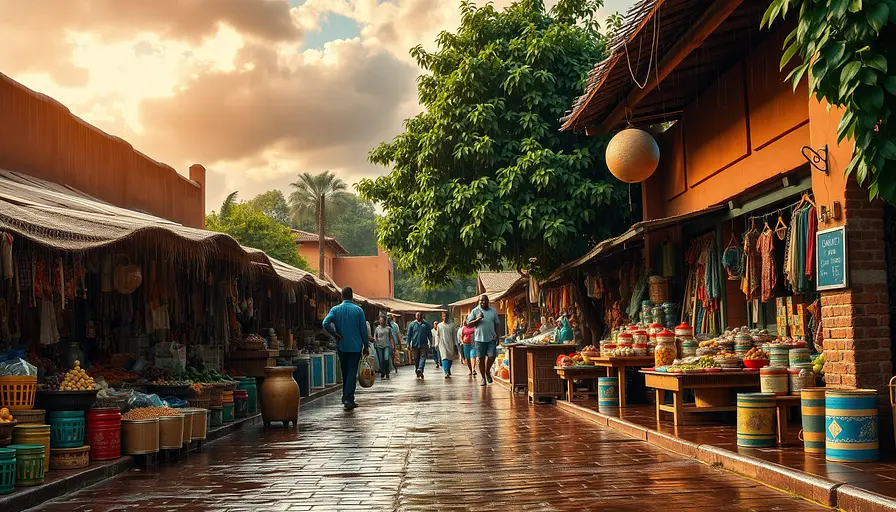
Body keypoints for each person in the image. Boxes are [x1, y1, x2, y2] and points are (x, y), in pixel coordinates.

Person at [323, 287, 370, 410]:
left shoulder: (335, 309)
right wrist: (366, 345)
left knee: (345, 372)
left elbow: (325, 323)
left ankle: (346, 397)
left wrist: (334, 334)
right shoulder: (358, 310)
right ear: (352, 297)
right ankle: (348, 399)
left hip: (342, 345)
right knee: (351, 372)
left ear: (342, 297)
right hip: (355, 347)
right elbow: (363, 331)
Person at [467, 295, 500, 386]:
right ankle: (483, 378)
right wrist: (478, 319)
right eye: (481, 301)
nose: (483, 302)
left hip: (491, 338)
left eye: (485, 301)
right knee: (481, 358)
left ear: (488, 301)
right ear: (479, 301)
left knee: (492, 356)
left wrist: (498, 336)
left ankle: (487, 371)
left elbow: (497, 324)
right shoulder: (475, 311)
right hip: (479, 339)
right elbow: (469, 324)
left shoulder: (493, 311)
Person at [406, 312, 432, 379]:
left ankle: (420, 369)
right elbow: (409, 335)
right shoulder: (412, 324)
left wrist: (431, 342)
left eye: (420, 316)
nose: (419, 317)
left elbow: (429, 334)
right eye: (417, 315)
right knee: (416, 359)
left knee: (423, 357)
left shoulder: (425, 324)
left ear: (422, 316)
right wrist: (408, 343)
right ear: (415, 316)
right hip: (415, 345)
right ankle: (418, 371)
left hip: (424, 344)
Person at [436, 312, 458, 378]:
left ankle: (448, 369)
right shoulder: (439, 325)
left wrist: (455, 344)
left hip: (450, 343)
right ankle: (446, 372)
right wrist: (436, 343)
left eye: (445, 316)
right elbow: (437, 335)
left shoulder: (452, 325)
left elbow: (454, 336)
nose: (444, 318)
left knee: (450, 358)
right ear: (442, 317)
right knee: (444, 357)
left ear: (448, 317)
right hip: (442, 344)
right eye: (443, 316)